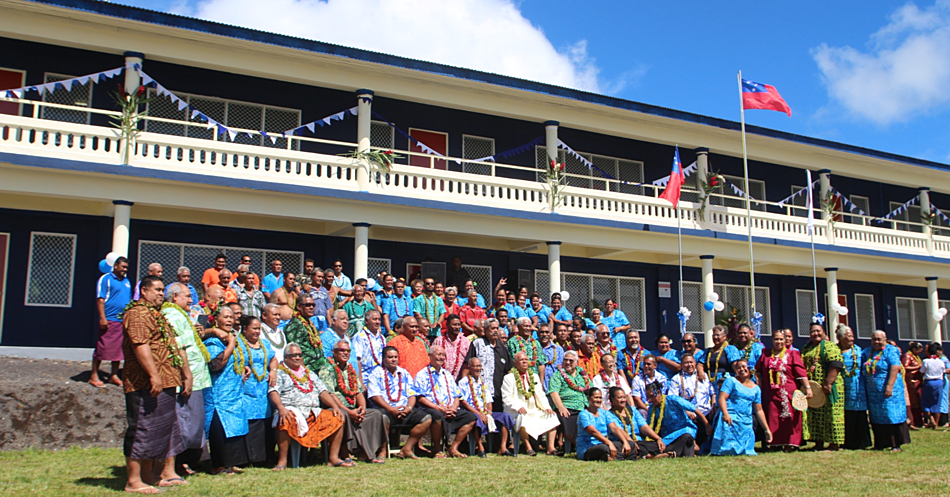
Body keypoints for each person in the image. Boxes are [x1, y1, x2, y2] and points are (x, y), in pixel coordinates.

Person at [121, 275, 191, 493]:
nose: (161, 294)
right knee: (142, 428)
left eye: (163, 290)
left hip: (166, 381)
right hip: (144, 383)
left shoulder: (156, 314)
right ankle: (133, 481)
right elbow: (141, 345)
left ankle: (148, 475)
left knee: (159, 430)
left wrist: (182, 373)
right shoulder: (138, 314)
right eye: (157, 290)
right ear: (144, 291)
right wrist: (154, 375)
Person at [162, 282, 214, 476]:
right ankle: (175, 464)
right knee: (184, 423)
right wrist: (187, 375)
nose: (191, 300)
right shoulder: (171, 315)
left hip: (196, 378)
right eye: (187, 296)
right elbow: (178, 346)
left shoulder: (182, 315)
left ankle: (186, 461)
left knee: (194, 422)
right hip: (187, 378)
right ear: (175, 297)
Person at [268, 343, 346, 470]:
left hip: (312, 411)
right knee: (285, 420)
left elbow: (322, 392)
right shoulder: (280, 373)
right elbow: (273, 392)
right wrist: (281, 408)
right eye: (294, 355)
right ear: (286, 358)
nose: (298, 358)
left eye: (299, 355)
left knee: (337, 418)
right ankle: (282, 461)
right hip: (291, 410)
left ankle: (333, 458)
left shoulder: (309, 373)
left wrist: (335, 406)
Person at [319, 340, 388, 464]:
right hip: (334, 408)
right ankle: (344, 454)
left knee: (375, 414)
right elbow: (330, 394)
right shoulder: (327, 368)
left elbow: (358, 391)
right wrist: (348, 411)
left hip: (352, 407)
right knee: (343, 415)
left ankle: (367, 453)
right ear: (334, 352)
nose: (345, 353)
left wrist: (362, 408)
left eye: (348, 351)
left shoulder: (350, 369)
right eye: (342, 350)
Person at [202, 307, 248, 475]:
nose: (229, 320)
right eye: (225, 317)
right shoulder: (213, 341)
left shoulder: (232, 337)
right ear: (216, 320)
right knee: (220, 428)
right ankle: (219, 465)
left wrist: (244, 367)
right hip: (219, 394)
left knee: (234, 427)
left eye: (231, 317)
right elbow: (216, 365)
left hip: (233, 392)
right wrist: (230, 345)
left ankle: (232, 462)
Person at [366, 346, 433, 460]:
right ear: (383, 359)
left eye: (395, 357)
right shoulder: (375, 373)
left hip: (404, 410)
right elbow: (375, 396)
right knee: (382, 417)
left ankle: (406, 449)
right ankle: (382, 450)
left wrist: (409, 408)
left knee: (426, 418)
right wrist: (391, 409)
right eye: (390, 357)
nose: (393, 360)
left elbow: (412, 394)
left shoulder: (403, 373)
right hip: (386, 409)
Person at [413, 345, 479, 458]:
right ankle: (437, 449)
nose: (441, 357)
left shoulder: (447, 374)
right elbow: (420, 398)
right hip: (433, 408)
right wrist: (440, 408)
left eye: (443, 355)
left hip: (450, 408)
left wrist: (453, 408)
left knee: (471, 417)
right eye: (438, 354)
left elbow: (457, 396)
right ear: (430, 356)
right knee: (437, 416)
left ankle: (453, 448)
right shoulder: (422, 375)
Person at [756, 329, 811, 451]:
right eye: (776, 339)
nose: (779, 342)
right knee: (773, 416)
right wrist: (759, 386)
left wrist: (807, 388)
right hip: (770, 392)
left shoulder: (792, 354)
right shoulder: (766, 353)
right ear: (772, 340)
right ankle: (775, 442)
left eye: (781, 339)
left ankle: (791, 443)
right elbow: (758, 371)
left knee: (790, 416)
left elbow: (801, 373)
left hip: (788, 391)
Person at [235, 316, 278, 466]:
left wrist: (273, 371)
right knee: (250, 421)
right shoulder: (238, 344)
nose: (257, 332)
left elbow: (273, 358)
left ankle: (265, 456)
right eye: (254, 328)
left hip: (263, 388)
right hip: (246, 388)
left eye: (259, 328)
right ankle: (250, 458)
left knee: (265, 421)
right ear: (244, 329)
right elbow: (234, 360)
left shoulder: (264, 344)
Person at [502, 351, 560, 456]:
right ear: (515, 363)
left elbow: (540, 394)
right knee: (522, 417)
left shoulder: (534, 376)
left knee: (552, 416)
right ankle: (528, 447)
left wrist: (547, 407)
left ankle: (551, 447)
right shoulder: (509, 378)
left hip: (534, 408)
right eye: (521, 360)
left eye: (526, 359)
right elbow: (506, 397)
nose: (524, 362)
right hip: (515, 410)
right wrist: (518, 407)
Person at [709, 359, 771, 456]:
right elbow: (721, 398)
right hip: (731, 417)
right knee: (728, 451)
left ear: (750, 368)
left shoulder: (756, 388)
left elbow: (759, 410)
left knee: (746, 452)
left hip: (746, 420)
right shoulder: (731, 381)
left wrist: (766, 429)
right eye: (738, 368)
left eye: (744, 367)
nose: (741, 369)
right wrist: (725, 414)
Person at [862, 331, 911, 451]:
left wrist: (889, 386)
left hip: (890, 391)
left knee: (891, 415)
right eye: (874, 339)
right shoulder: (868, 352)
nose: (876, 342)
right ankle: (880, 443)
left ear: (885, 339)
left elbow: (895, 367)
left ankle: (895, 444)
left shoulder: (891, 350)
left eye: (879, 339)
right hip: (874, 392)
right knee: (876, 417)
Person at [458, 357, 514, 457]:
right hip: (472, 412)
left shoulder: (483, 382)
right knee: (475, 418)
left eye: (479, 366)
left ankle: (503, 447)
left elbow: (489, 401)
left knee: (505, 416)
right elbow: (465, 403)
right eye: (475, 366)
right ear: (470, 367)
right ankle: (480, 448)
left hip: (485, 411)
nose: (478, 369)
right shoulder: (463, 382)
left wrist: (488, 412)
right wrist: (479, 414)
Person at [802, 321, 845, 451]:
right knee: (815, 414)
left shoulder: (829, 346)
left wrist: (828, 383)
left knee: (831, 414)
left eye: (818, 331)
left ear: (824, 332)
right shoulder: (808, 348)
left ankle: (833, 444)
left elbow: (836, 364)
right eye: (812, 332)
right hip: (814, 389)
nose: (815, 334)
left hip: (829, 387)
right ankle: (818, 442)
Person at [92, 256, 132, 388]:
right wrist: (103, 317)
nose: (124, 270)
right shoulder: (106, 279)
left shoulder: (126, 281)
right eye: (122, 267)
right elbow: (100, 299)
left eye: (126, 267)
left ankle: (113, 375)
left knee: (118, 349)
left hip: (122, 321)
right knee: (102, 347)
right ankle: (94, 374)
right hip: (109, 319)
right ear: (115, 266)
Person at [644, 381, 707, 457]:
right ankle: (674, 452)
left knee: (687, 437)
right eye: (648, 397)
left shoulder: (673, 400)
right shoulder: (652, 409)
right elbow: (649, 427)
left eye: (651, 396)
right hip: (668, 437)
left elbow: (694, 408)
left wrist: (707, 425)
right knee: (656, 445)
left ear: (658, 392)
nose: (649, 400)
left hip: (684, 431)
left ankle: (669, 453)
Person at [605, 386, 668, 459]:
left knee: (656, 444)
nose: (623, 400)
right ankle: (649, 455)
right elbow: (619, 429)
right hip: (623, 441)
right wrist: (631, 442)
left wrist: (658, 439)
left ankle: (647, 454)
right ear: (612, 400)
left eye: (624, 397)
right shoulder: (609, 414)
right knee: (630, 446)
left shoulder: (633, 410)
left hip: (639, 441)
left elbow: (644, 426)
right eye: (619, 398)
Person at [464, 318, 512, 410]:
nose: (495, 331)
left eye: (497, 328)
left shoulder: (501, 346)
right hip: (480, 391)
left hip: (498, 392)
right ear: (485, 329)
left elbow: (508, 369)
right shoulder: (477, 343)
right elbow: (467, 366)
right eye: (492, 328)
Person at [836, 325, 871, 450]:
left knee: (860, 415)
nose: (851, 338)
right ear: (840, 338)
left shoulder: (858, 351)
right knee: (846, 416)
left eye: (852, 336)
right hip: (842, 388)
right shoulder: (836, 351)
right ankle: (845, 442)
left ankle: (862, 442)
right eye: (848, 336)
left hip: (858, 388)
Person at [668, 354, 715, 446]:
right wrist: (686, 411)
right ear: (681, 365)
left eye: (691, 362)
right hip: (689, 415)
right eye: (686, 363)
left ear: (695, 363)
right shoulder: (676, 379)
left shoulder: (703, 375)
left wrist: (714, 404)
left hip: (706, 411)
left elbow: (712, 392)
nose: (689, 365)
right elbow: (673, 400)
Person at [548, 350, 591, 449]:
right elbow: (553, 392)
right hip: (567, 406)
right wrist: (561, 407)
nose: (567, 363)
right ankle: (580, 445)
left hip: (584, 407)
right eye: (565, 360)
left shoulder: (582, 374)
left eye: (571, 361)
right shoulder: (557, 375)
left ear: (576, 362)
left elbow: (590, 389)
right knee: (566, 418)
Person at [576, 388, 629, 461]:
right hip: (588, 447)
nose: (598, 400)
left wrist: (625, 441)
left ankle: (610, 457)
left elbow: (614, 428)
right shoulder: (584, 414)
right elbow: (593, 431)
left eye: (600, 398)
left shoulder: (604, 413)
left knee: (629, 444)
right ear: (588, 398)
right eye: (596, 397)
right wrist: (609, 443)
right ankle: (618, 456)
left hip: (604, 443)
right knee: (604, 449)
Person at [282, 293, 328, 372]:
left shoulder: (309, 323)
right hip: (306, 368)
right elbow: (296, 350)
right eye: (308, 305)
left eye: (313, 305)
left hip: (317, 366)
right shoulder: (295, 324)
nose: (311, 307)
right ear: (299, 307)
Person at [352, 309, 387, 385]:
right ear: (366, 321)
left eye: (379, 319)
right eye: (374, 319)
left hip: (381, 376)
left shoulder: (382, 338)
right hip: (366, 377)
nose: (377, 322)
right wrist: (360, 382)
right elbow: (357, 360)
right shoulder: (359, 337)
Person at [431, 314, 470, 379]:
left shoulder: (466, 341)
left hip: (460, 380)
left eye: (458, 325)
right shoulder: (438, 341)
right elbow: (432, 359)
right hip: (441, 379)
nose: (457, 327)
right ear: (447, 325)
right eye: (454, 324)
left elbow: (469, 362)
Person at [921, 342, 950, 429]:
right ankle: (936, 423)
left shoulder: (926, 361)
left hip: (929, 382)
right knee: (938, 402)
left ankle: (931, 420)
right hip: (939, 382)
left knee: (926, 402)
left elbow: (922, 372)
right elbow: (943, 370)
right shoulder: (941, 362)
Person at [901, 341, 924, 429]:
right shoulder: (907, 356)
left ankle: (919, 421)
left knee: (918, 400)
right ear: (914, 349)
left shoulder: (916, 356)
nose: (920, 352)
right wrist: (918, 367)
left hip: (917, 380)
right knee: (913, 401)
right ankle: (913, 421)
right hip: (911, 381)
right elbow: (905, 367)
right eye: (918, 350)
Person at [538, 324, 564, 391]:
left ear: (550, 334)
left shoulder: (558, 349)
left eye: (547, 332)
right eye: (542, 332)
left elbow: (561, 368)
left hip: (555, 385)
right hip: (538, 384)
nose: (544, 334)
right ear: (538, 334)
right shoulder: (534, 347)